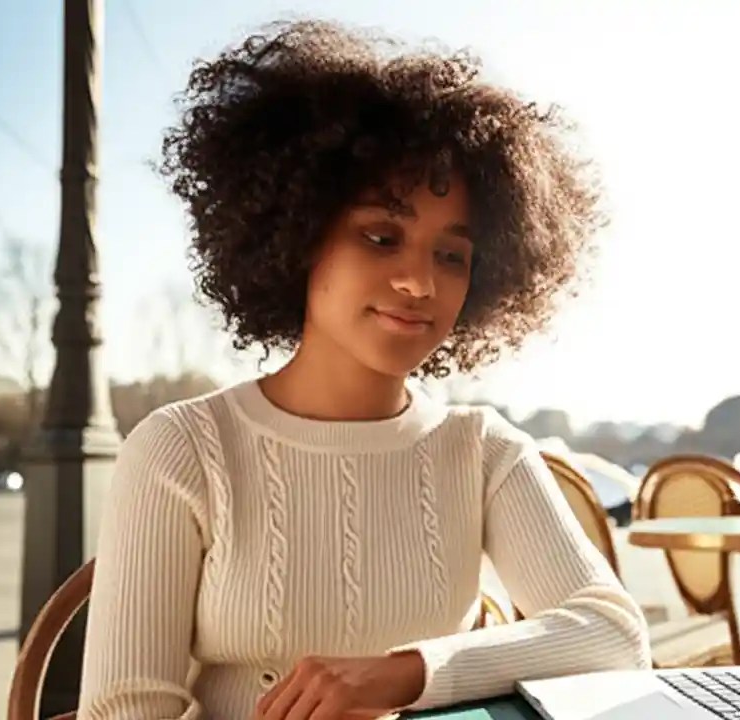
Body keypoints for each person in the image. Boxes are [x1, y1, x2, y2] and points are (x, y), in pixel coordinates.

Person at [78, 19, 649, 720]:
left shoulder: (482, 451)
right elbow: (125, 711)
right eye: (382, 237)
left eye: (451, 256)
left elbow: (613, 636)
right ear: (297, 237)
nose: (419, 282)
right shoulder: (183, 449)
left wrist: (407, 673)